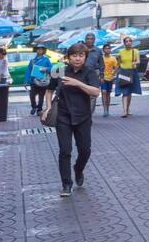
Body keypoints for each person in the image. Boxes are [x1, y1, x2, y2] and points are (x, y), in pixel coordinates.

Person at [42, 44, 102, 197]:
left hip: (83, 117)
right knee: (65, 151)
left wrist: (79, 84)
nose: (77, 58)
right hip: (63, 116)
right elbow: (49, 90)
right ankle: (66, 184)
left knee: (85, 150)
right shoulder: (59, 70)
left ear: (85, 57)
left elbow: (96, 92)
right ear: (68, 57)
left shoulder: (89, 72)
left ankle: (78, 169)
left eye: (81, 55)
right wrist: (48, 108)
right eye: (74, 55)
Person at [115, 34, 142, 117]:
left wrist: (135, 63)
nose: (128, 43)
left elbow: (138, 61)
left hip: (132, 72)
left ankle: (127, 108)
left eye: (130, 41)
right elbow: (118, 63)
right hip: (123, 72)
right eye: (126, 41)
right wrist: (114, 72)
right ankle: (124, 111)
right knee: (125, 92)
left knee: (129, 92)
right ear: (124, 43)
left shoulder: (135, 51)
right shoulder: (120, 52)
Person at [24, 47, 53, 116]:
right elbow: (28, 71)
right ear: (36, 50)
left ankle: (39, 109)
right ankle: (34, 107)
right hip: (33, 81)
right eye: (38, 49)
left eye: (41, 49)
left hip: (43, 81)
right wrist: (25, 81)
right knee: (32, 95)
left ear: (43, 51)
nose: (39, 50)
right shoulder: (32, 60)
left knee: (41, 96)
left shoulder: (46, 59)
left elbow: (51, 68)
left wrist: (45, 69)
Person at [100, 43, 118, 117]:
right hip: (103, 77)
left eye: (109, 48)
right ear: (103, 50)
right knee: (103, 92)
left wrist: (114, 72)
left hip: (110, 78)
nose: (107, 50)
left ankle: (107, 109)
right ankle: (105, 110)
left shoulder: (113, 58)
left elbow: (117, 66)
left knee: (108, 93)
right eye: (106, 48)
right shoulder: (101, 58)